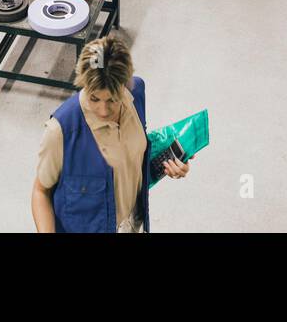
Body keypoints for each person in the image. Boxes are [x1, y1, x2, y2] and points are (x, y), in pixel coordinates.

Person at [32, 35, 188, 233]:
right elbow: (40, 191)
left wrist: (172, 163)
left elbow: (133, 156)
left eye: (113, 99)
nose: (104, 110)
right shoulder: (61, 131)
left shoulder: (137, 94)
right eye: (95, 98)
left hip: (132, 222)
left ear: (126, 85)